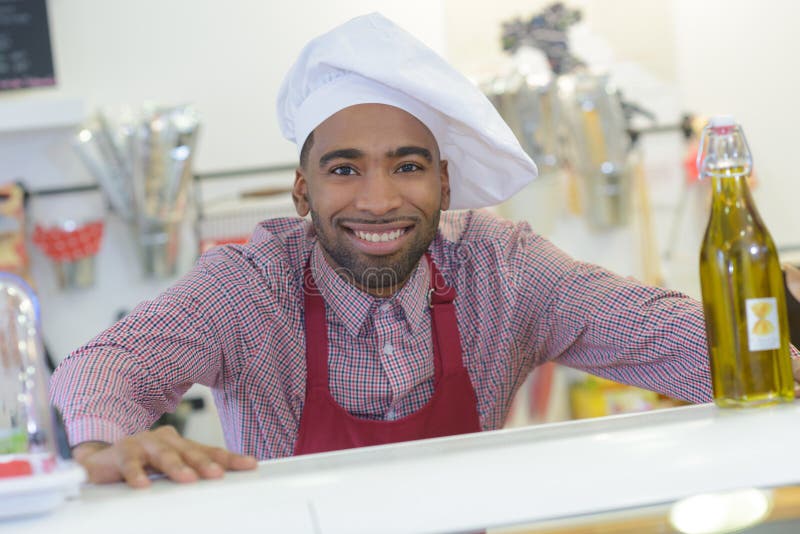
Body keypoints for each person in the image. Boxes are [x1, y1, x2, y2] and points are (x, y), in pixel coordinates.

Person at [50, 13, 799, 488]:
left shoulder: (502, 270)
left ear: (444, 181)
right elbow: (104, 366)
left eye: (407, 165)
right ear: (302, 190)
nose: (378, 200)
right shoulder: (248, 288)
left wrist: (786, 319)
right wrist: (111, 443)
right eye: (345, 168)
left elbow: (681, 339)